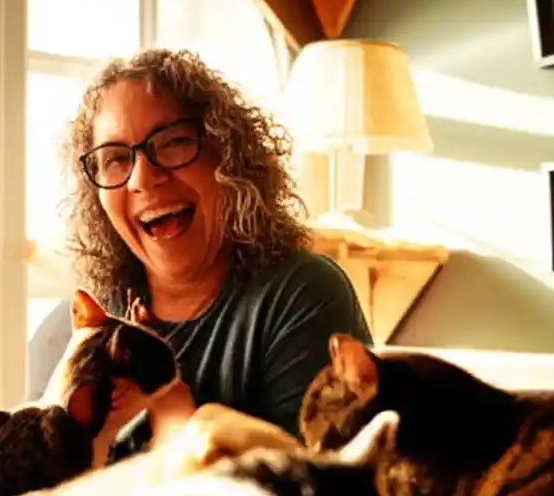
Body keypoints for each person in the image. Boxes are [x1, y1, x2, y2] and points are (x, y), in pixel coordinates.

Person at [27, 47, 372, 461]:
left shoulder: (302, 296)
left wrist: (177, 423)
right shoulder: (67, 334)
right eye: (116, 159)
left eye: (172, 142)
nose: (143, 178)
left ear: (226, 155)